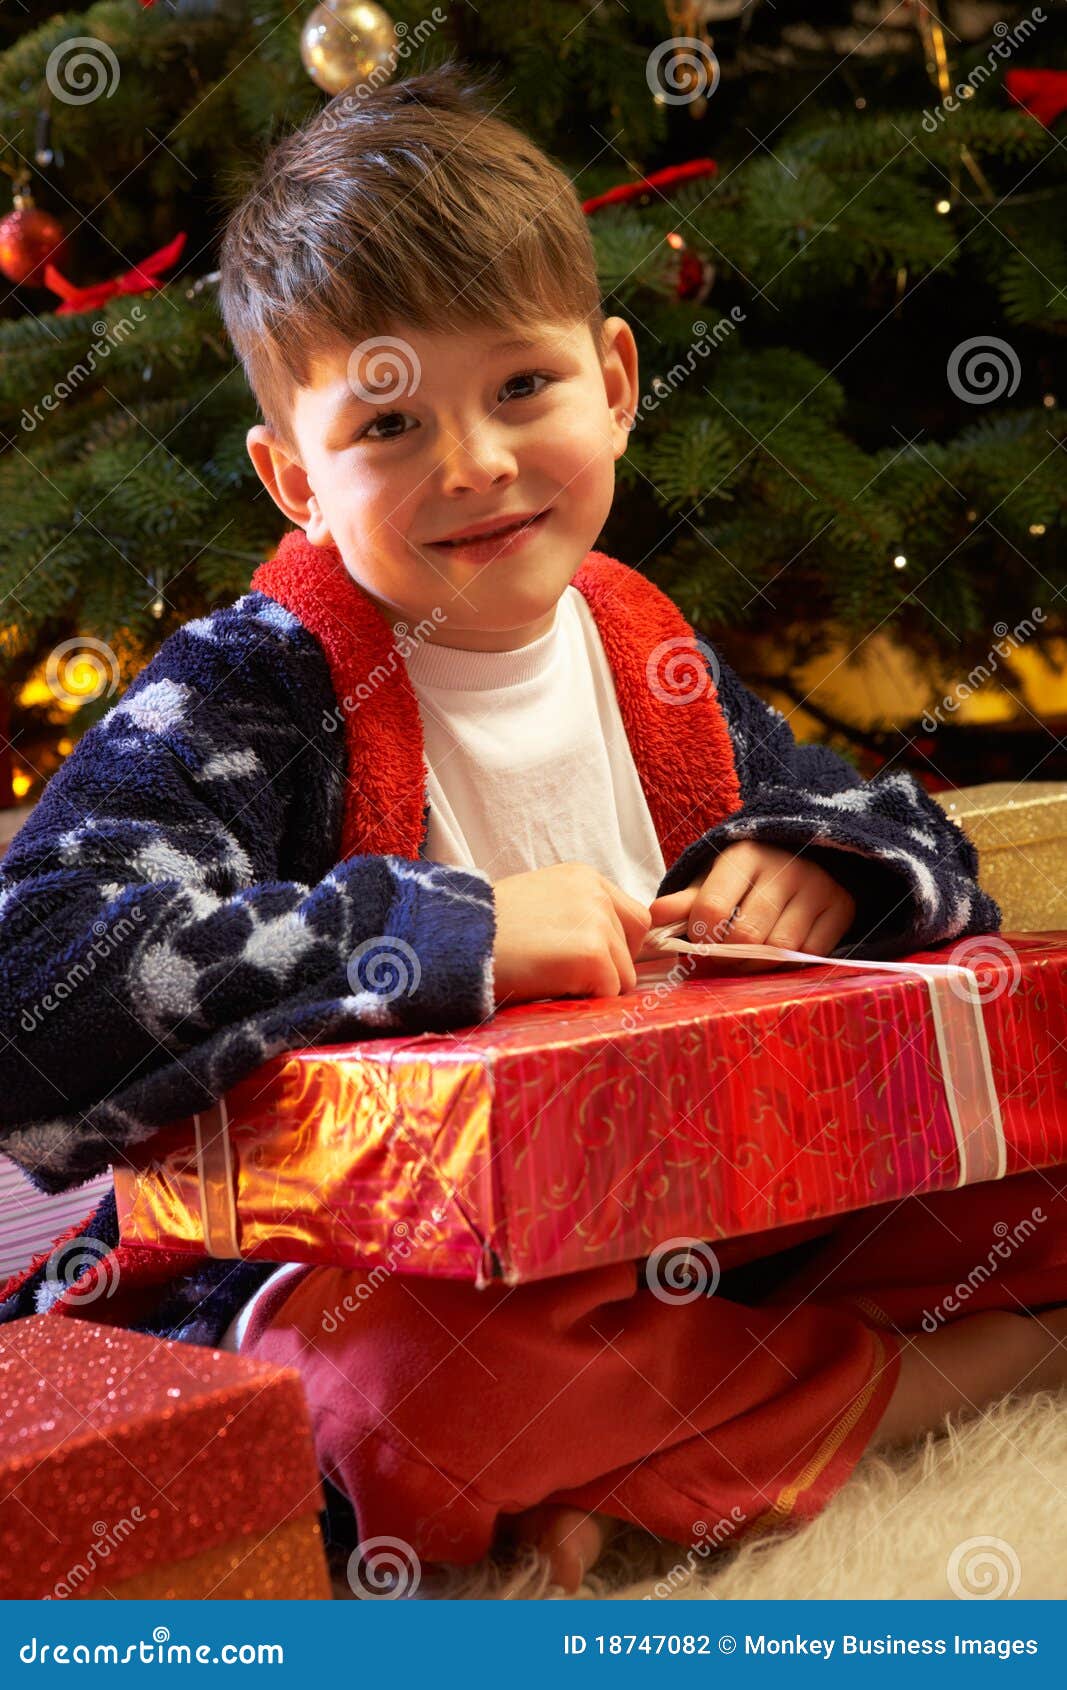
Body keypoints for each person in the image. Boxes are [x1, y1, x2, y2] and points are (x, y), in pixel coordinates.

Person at [3, 61, 1066, 1596]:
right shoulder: (256, 690)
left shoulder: (645, 653)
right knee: (374, 1397)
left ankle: (639, 1463)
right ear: (295, 476)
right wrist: (446, 936)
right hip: (387, 1285)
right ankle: (950, 1380)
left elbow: (907, 827)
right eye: (390, 422)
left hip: (709, 1229)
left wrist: (825, 871)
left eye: (522, 388)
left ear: (618, 383)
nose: (477, 463)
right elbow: (35, 969)